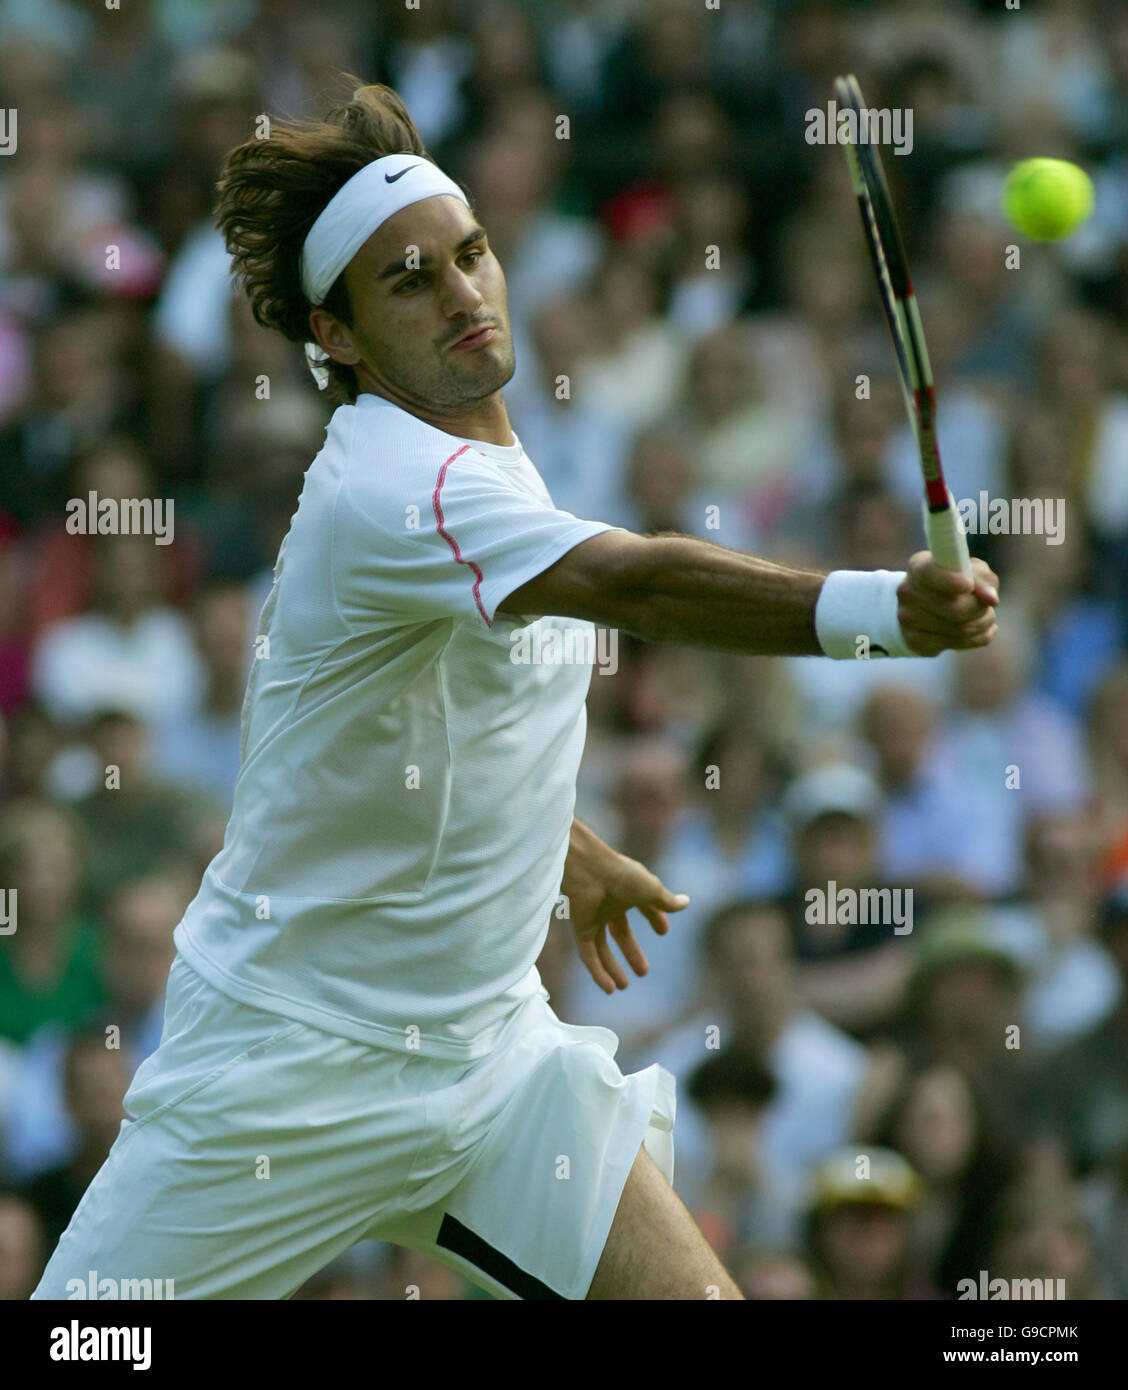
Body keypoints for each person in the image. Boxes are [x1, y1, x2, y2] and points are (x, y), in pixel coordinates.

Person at [33, 78, 999, 1303]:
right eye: (408, 281)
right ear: (336, 337)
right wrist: (878, 612)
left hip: (492, 1070)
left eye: (470, 256)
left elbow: (434, 727)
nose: (461, 296)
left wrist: (571, 848)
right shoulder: (399, 485)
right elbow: (636, 585)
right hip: (282, 1069)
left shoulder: (480, 452)